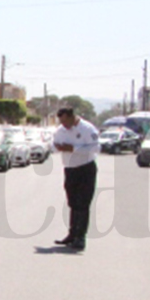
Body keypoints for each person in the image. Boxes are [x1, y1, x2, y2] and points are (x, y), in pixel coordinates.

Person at [51, 106, 100, 251]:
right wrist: (57, 147)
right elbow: (53, 146)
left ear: (73, 117)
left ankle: (81, 237)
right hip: (70, 169)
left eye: (66, 121)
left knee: (83, 204)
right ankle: (72, 234)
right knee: (72, 203)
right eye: (61, 122)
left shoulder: (87, 129)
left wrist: (73, 148)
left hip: (85, 168)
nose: (64, 125)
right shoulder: (61, 130)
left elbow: (95, 148)